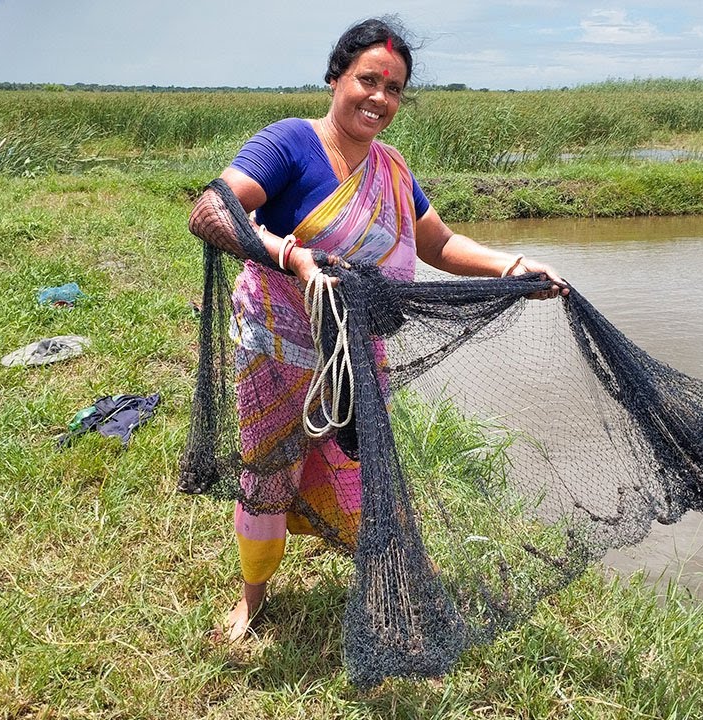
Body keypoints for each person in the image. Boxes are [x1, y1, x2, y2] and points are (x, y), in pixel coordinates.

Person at [187, 16, 567, 642]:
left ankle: (391, 584)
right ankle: (252, 599)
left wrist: (514, 265)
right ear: (336, 77)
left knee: (364, 475)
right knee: (266, 478)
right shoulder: (289, 143)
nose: (380, 99)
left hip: (357, 358)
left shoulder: (392, 169)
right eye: (368, 80)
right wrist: (291, 256)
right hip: (278, 349)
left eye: (394, 90)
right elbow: (211, 210)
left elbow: (438, 243)